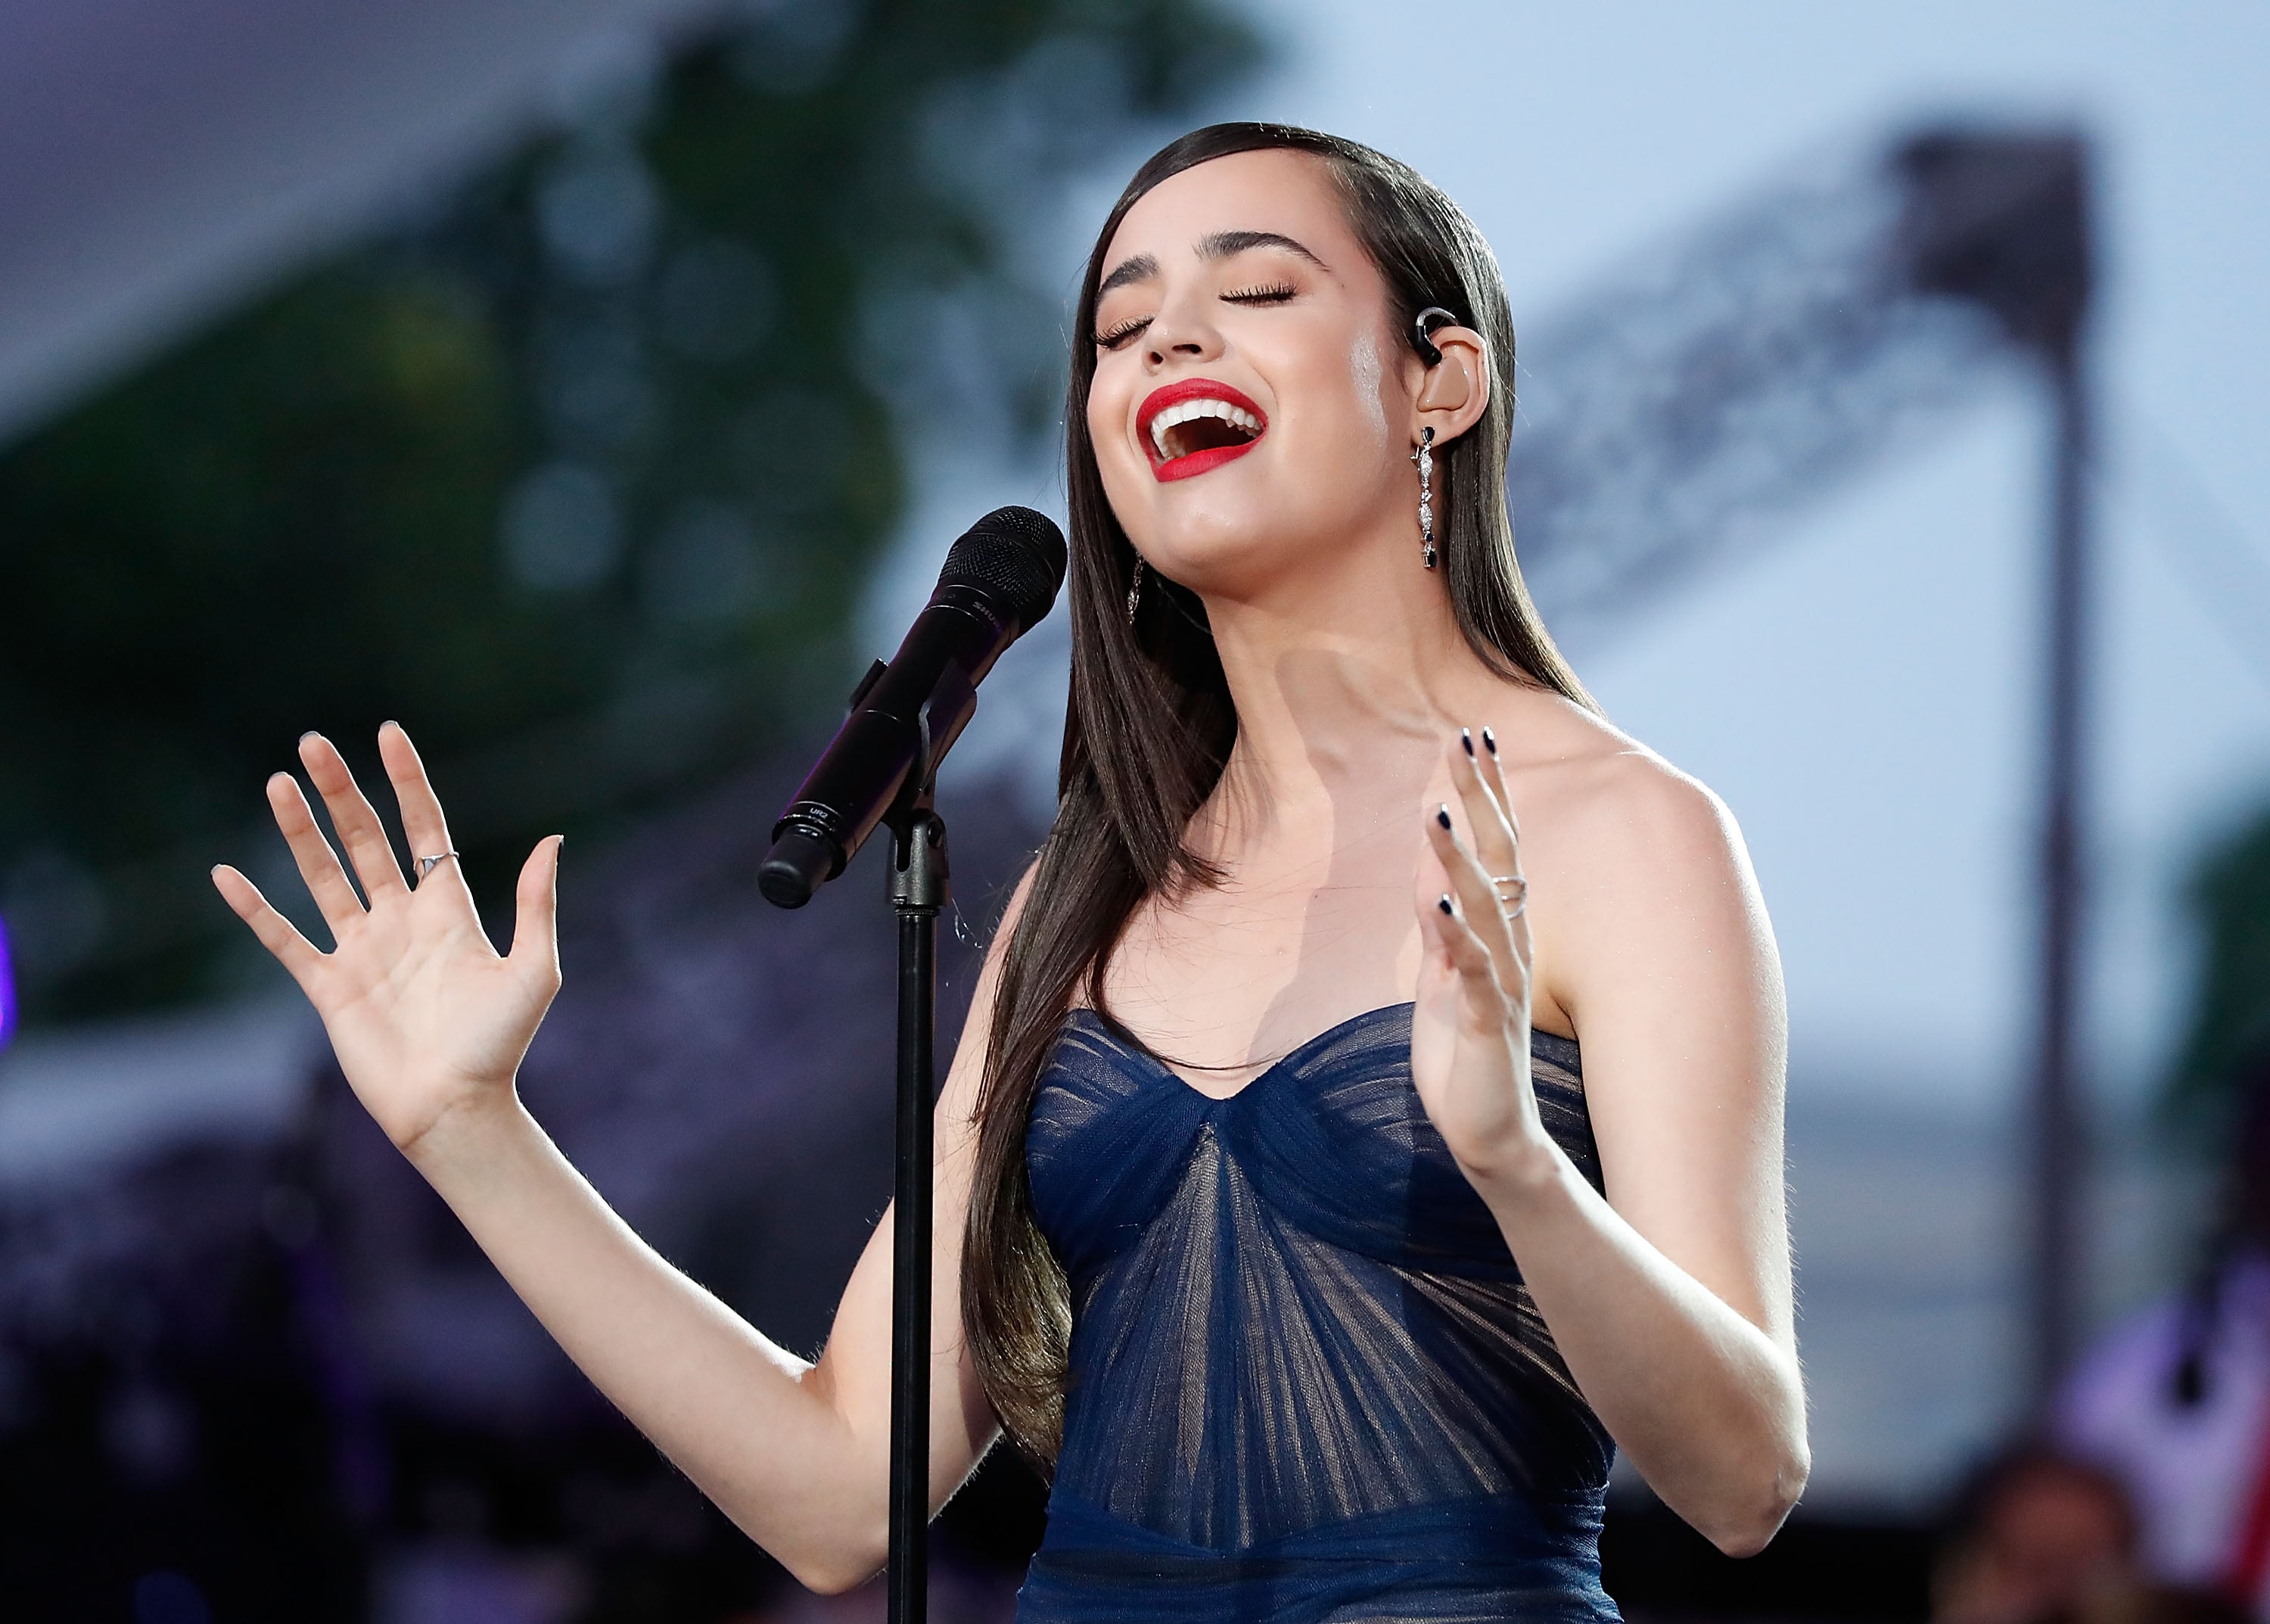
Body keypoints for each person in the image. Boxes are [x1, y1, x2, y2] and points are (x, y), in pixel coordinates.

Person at [212, 123, 1808, 1620]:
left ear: (1441, 379)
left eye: (1257, 291)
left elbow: (1744, 1479)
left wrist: (1515, 1162)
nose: (1169, 344)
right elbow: (842, 1485)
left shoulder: (1620, 833)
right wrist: (471, 1129)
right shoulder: (1089, 890)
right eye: (1121, 327)